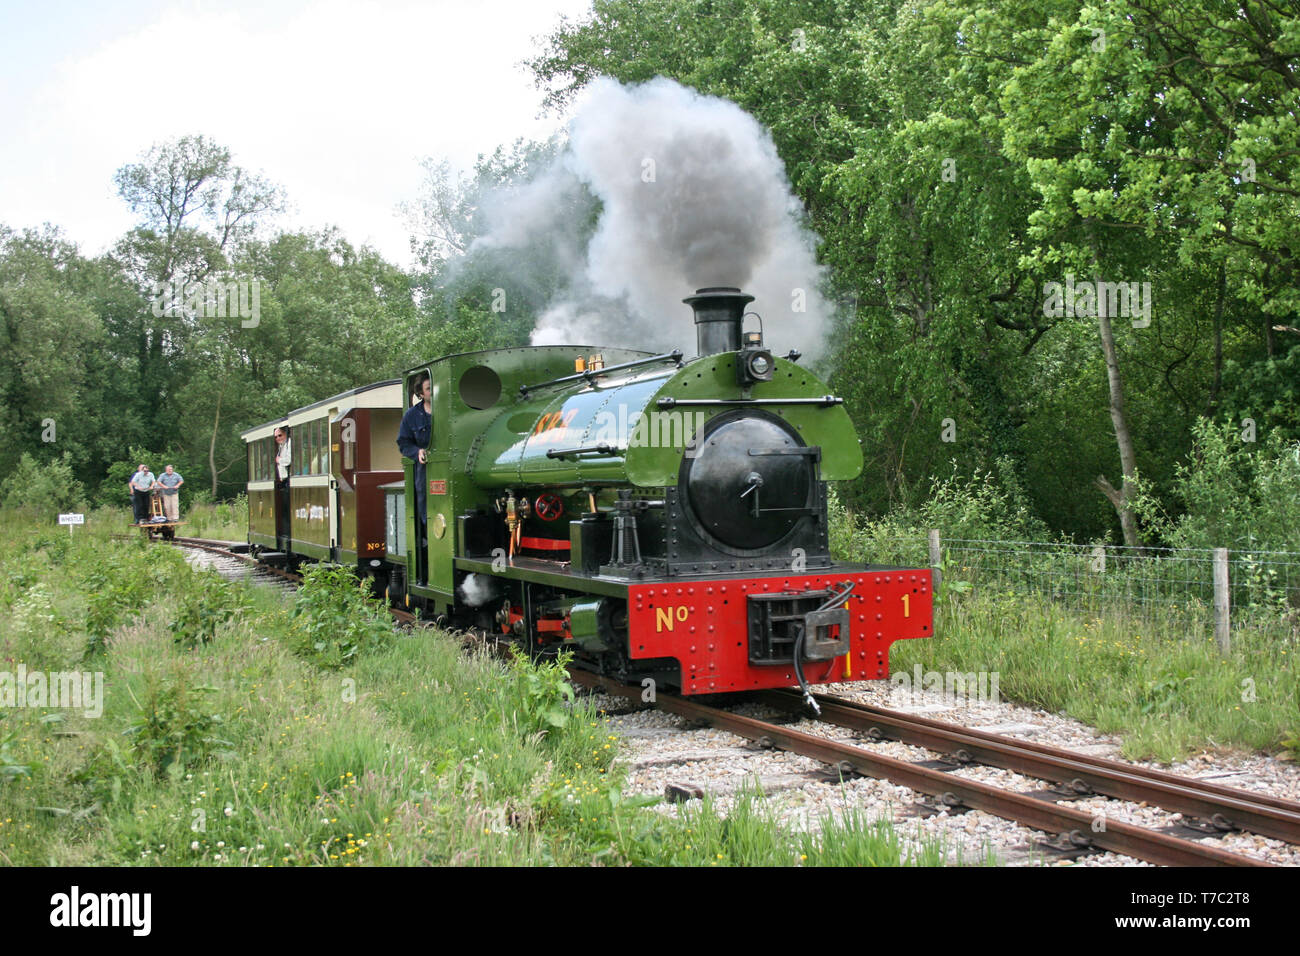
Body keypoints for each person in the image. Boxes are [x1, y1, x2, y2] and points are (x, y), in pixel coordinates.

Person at [397, 374, 432, 569]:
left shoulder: (447, 410)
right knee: (424, 507)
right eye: (428, 389)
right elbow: (403, 442)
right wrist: (417, 452)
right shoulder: (412, 416)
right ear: (420, 393)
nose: (432, 391)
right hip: (425, 470)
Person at [274, 426, 291, 541]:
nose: (278, 438)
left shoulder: (289, 444)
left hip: (288, 480)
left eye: (280, 435)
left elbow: (288, 460)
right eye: (276, 437)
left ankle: (288, 533)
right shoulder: (282, 446)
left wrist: (279, 460)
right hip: (282, 481)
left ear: (285, 434)